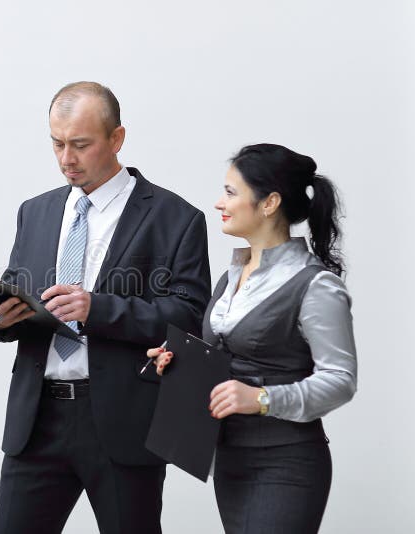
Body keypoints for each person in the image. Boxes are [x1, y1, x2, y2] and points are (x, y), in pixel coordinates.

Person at [0, 81, 211, 534]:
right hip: (36, 421)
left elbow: (188, 318)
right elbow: (19, 293)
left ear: (117, 139)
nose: (66, 158)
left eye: (80, 145)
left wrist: (96, 308)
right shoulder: (36, 211)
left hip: (123, 423)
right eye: (57, 143)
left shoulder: (176, 218)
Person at [150, 143, 358, 533]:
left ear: (269, 203)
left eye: (230, 192)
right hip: (229, 459)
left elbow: (341, 381)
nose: (218, 203)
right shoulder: (231, 277)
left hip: (286, 462)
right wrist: (177, 359)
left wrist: (261, 399)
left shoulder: (317, 286)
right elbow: (223, 358)